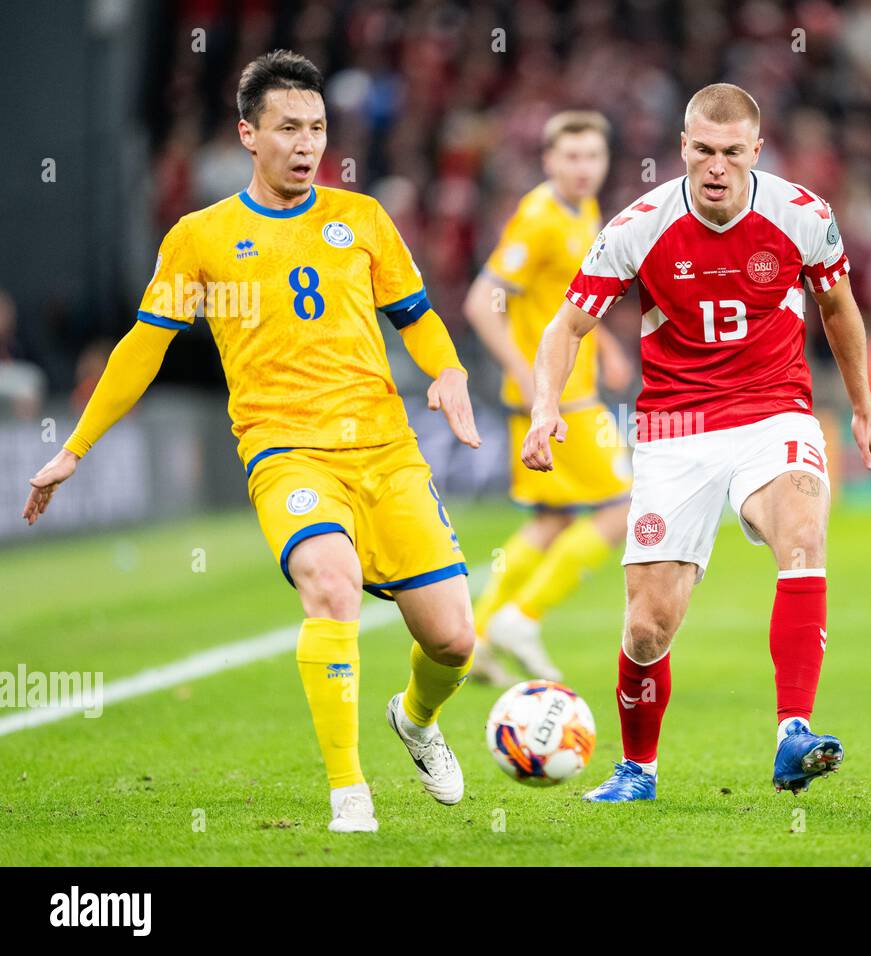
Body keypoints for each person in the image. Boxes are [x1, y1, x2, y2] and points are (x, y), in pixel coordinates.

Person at [22, 50, 482, 831]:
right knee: (330, 585)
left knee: (452, 642)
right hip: (285, 451)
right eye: (289, 129)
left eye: (317, 129)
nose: (308, 144)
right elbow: (143, 344)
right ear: (248, 134)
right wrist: (76, 447)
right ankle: (350, 795)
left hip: (385, 450)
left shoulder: (363, 218)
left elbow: (418, 317)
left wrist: (448, 371)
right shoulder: (201, 237)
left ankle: (414, 719)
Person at [522, 83, 871, 800]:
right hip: (674, 428)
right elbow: (565, 325)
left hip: (774, 411)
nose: (716, 167)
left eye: (731, 152)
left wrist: (864, 407)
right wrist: (543, 408)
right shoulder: (639, 226)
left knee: (805, 531)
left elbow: (838, 307)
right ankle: (638, 769)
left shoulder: (804, 215)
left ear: (756, 149)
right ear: (682, 148)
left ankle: (793, 735)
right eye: (703, 151)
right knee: (649, 626)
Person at [463, 111, 633, 686]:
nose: (583, 169)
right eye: (572, 158)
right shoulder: (536, 219)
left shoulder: (583, 211)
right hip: (557, 397)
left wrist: (605, 341)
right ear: (549, 161)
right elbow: (480, 301)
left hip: (569, 388)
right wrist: (530, 377)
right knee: (623, 506)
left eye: (593, 157)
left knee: (553, 519)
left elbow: (568, 297)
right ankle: (522, 616)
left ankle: (477, 635)